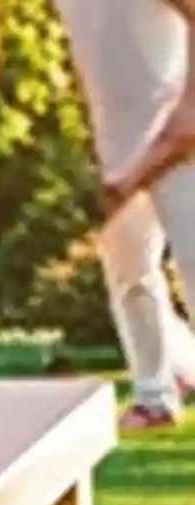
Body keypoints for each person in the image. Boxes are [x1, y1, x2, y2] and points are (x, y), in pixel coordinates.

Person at [57, 0, 195, 427]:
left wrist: (188, 109)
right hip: (116, 149)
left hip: (179, 140)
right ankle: (155, 396)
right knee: (127, 268)